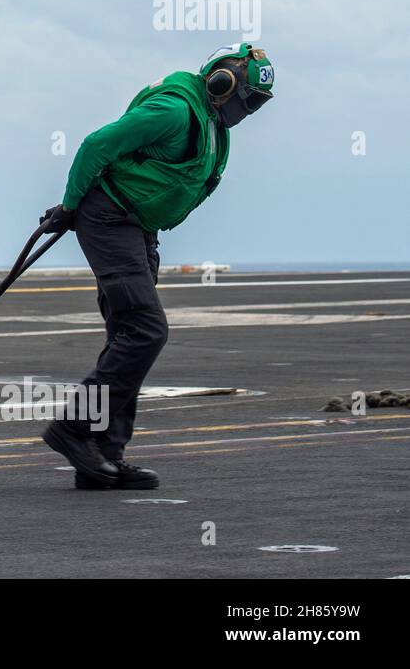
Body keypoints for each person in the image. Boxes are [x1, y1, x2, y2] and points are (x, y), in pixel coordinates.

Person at [39, 43, 275, 490]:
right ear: (222, 82)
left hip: (137, 227)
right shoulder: (174, 111)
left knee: (128, 336)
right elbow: (97, 145)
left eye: (257, 105)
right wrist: (71, 207)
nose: (249, 112)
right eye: (248, 99)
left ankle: (103, 456)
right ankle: (71, 429)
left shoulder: (209, 123)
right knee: (147, 330)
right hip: (110, 219)